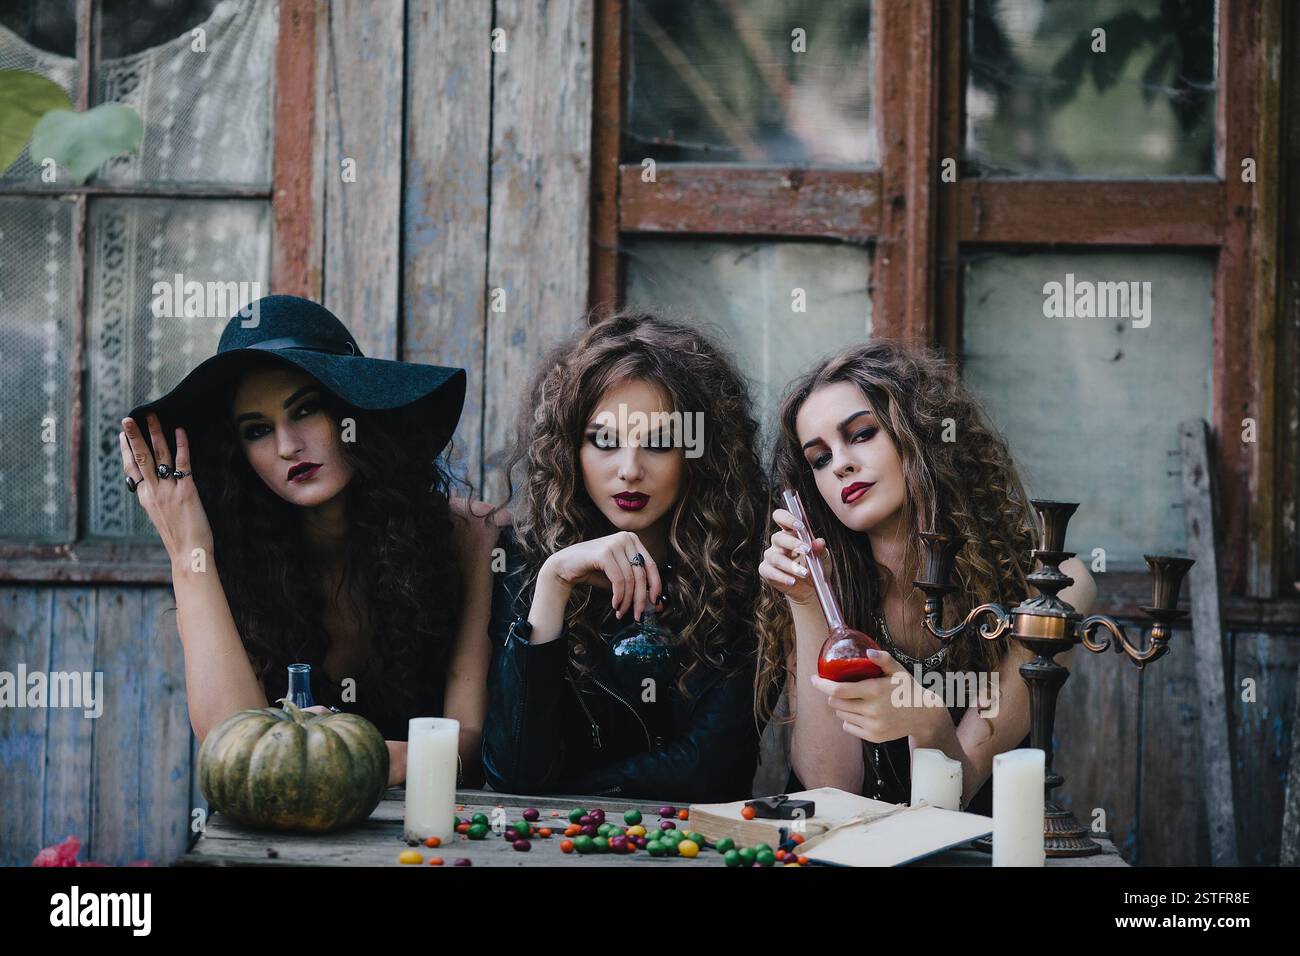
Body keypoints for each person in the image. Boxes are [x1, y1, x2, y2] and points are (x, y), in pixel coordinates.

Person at [119, 295, 500, 786]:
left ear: (353, 410)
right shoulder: (230, 558)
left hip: (429, 831)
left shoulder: (466, 535)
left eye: (306, 409)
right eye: (257, 430)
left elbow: (466, 741)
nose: (286, 446)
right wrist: (186, 550)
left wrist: (340, 755)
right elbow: (233, 750)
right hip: (283, 835)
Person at [756, 341, 1096, 813]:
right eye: (819, 458)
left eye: (861, 434)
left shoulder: (1049, 587)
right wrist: (807, 600)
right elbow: (828, 787)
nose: (841, 465)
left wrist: (926, 720)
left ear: (922, 433)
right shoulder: (821, 577)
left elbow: (955, 794)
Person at [481, 311, 771, 802]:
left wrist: (570, 792)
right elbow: (513, 773)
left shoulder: (742, 566)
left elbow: (712, 771)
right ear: (570, 450)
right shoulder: (526, 561)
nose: (630, 470)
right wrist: (554, 584)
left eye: (659, 443)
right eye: (605, 441)